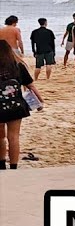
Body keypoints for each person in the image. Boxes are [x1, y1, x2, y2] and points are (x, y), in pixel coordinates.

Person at [0, 39, 43, 170]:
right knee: (13, 137)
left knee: (0, 137)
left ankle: (1, 165)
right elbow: (31, 86)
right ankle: (14, 167)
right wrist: (39, 102)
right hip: (16, 106)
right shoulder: (18, 66)